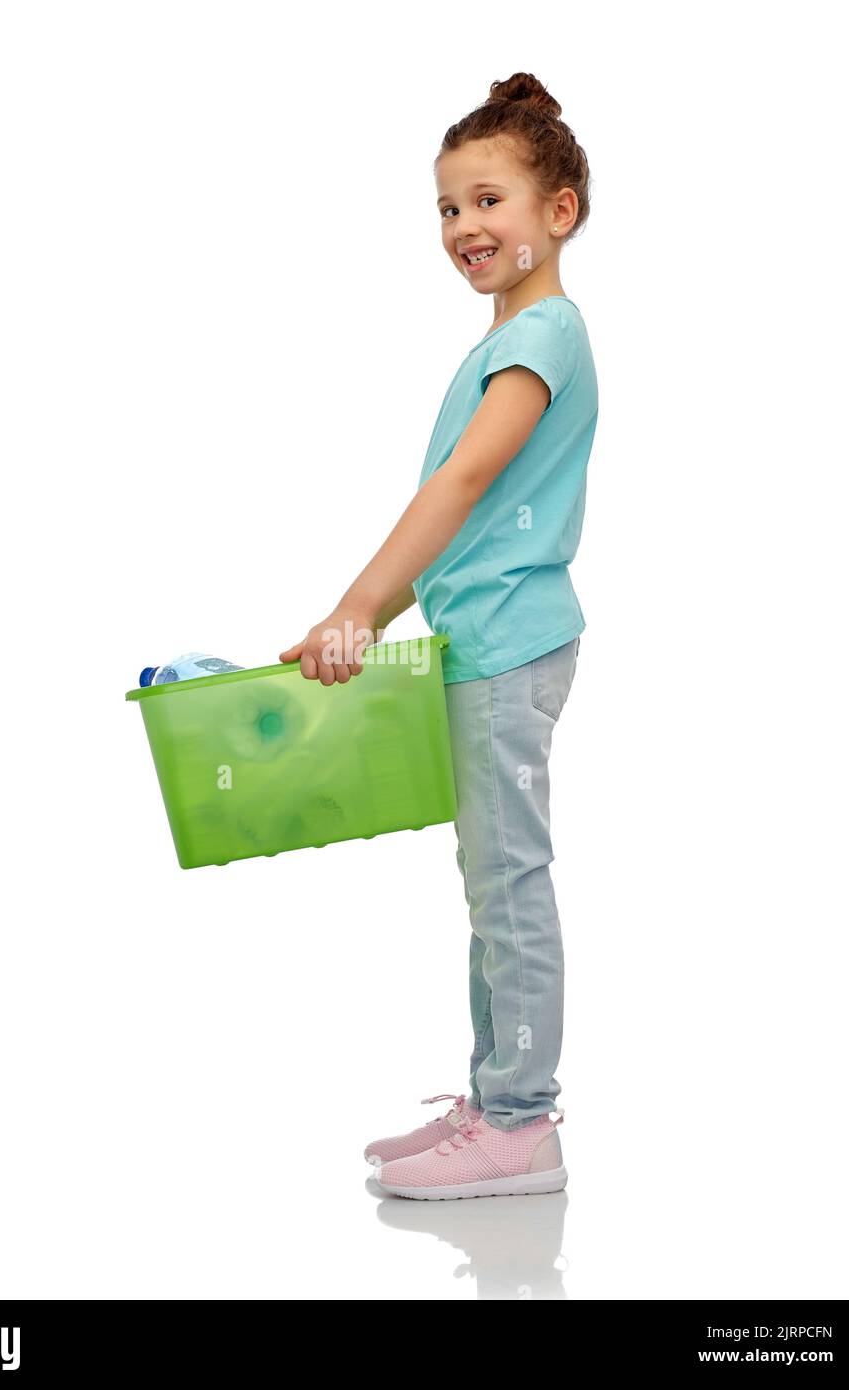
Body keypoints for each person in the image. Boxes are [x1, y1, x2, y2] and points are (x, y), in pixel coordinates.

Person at [279, 72, 598, 1199]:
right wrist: (370, 625)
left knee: (509, 880)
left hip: (511, 651)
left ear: (559, 211)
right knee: (489, 879)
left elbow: (461, 485)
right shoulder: (506, 342)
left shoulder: (544, 336)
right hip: (482, 640)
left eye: (488, 200)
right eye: (448, 208)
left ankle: (521, 1125)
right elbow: (458, 532)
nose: (464, 226)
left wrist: (357, 605)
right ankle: (496, 1098)